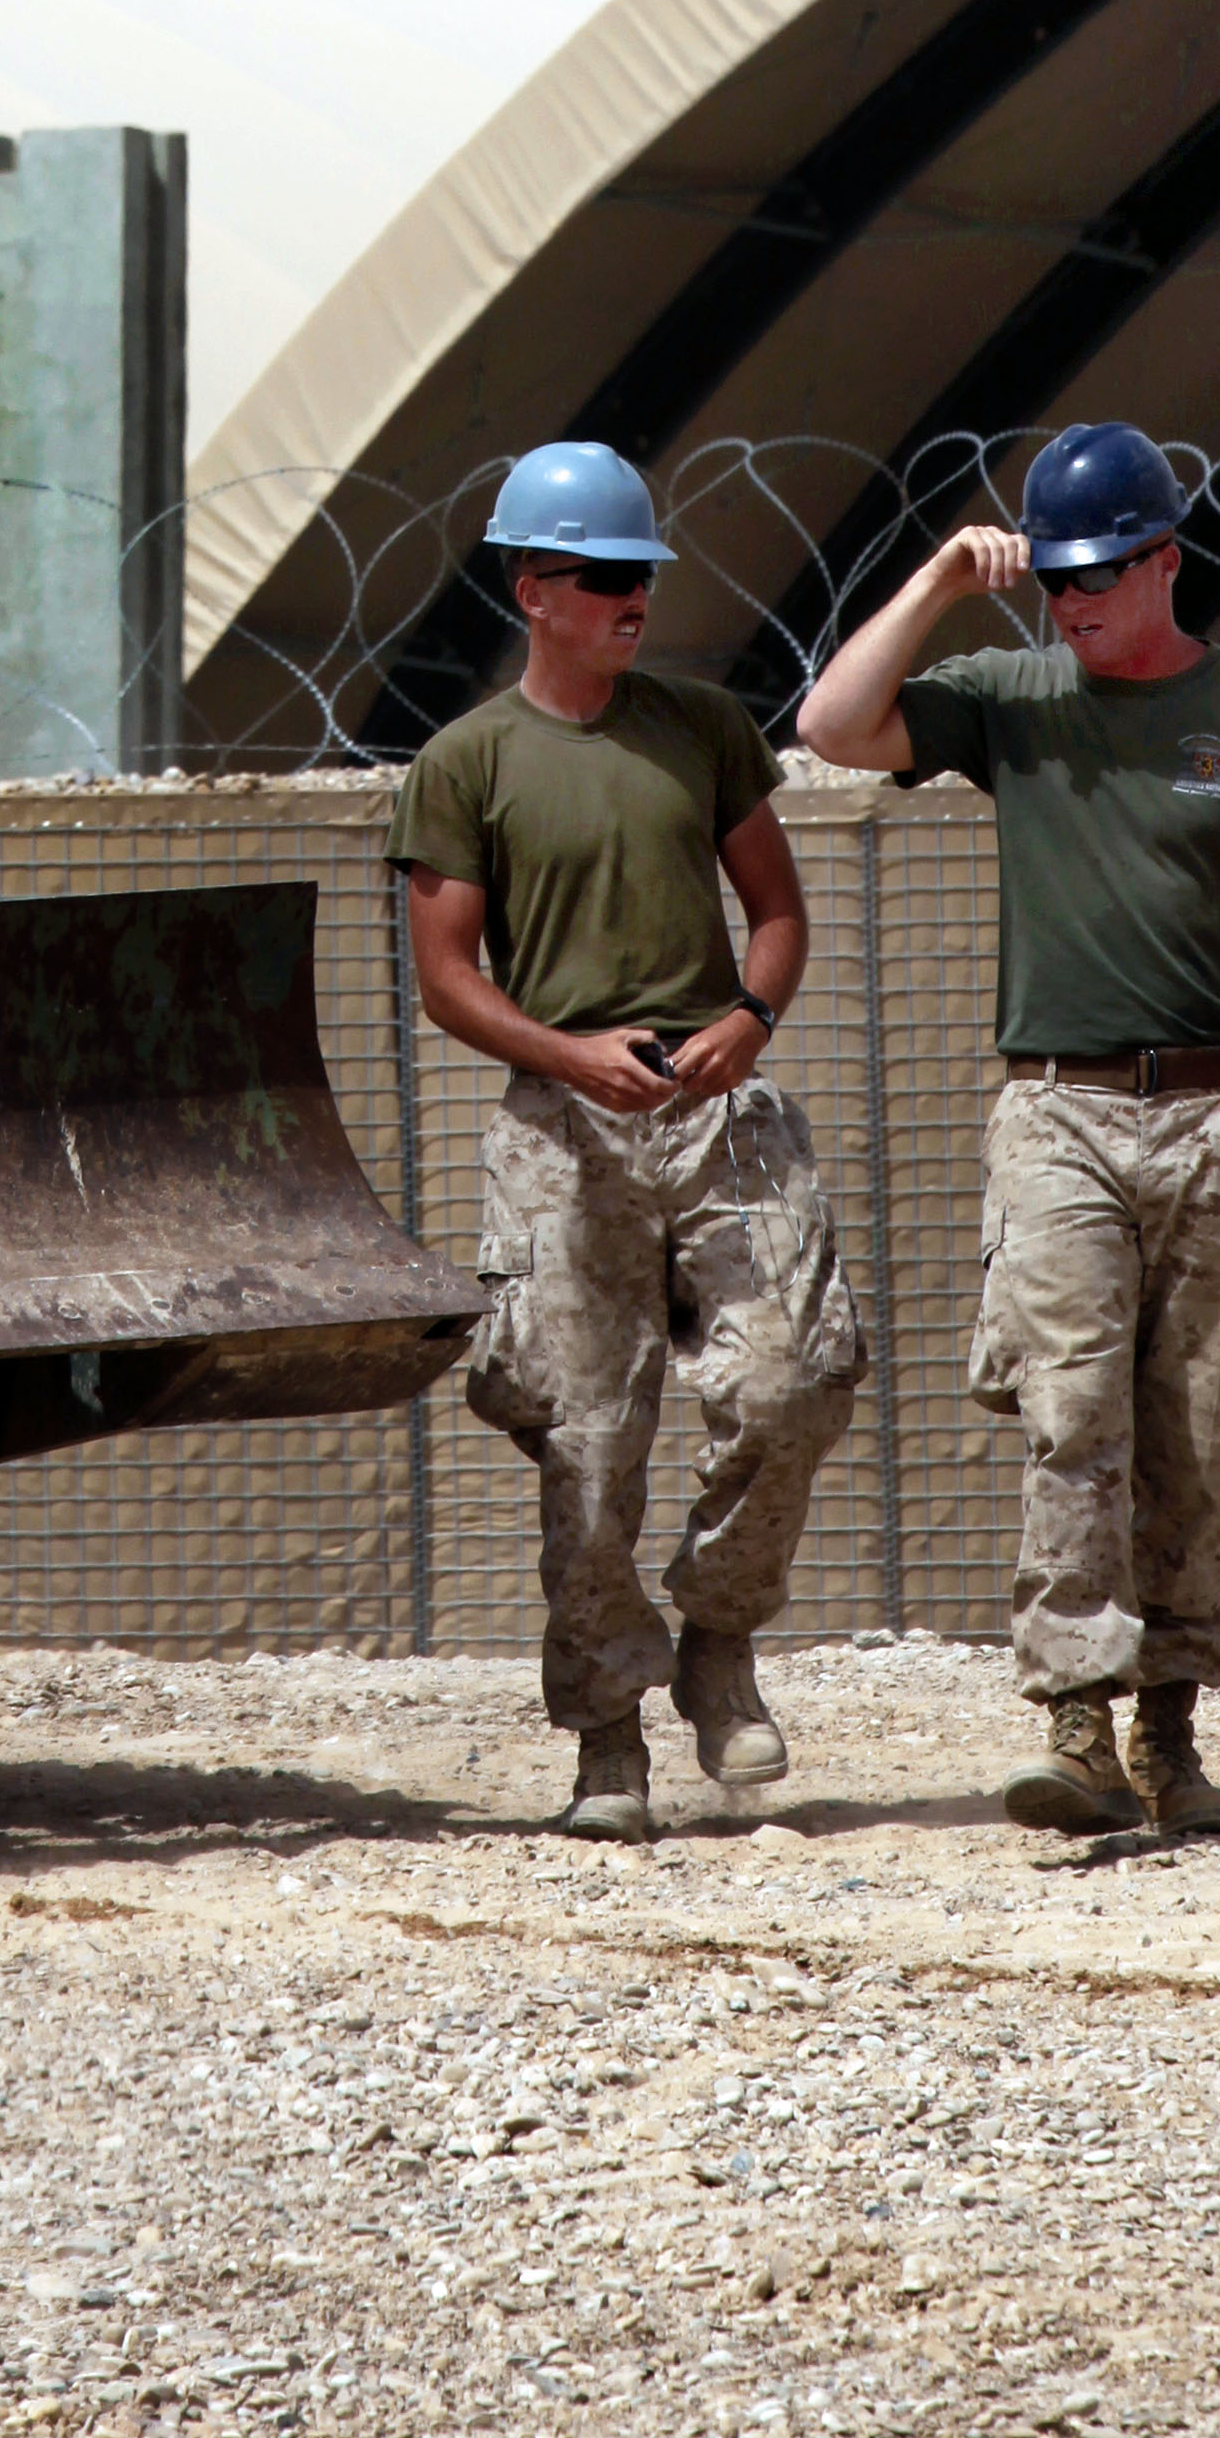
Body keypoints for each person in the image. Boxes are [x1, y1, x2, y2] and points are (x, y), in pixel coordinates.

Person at [791, 419, 1220, 1838]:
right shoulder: (1014, 696)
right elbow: (831, 728)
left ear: (1165, 560)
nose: (1074, 601)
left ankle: (1168, 1733)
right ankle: (1075, 1721)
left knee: (1199, 1428)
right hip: (1058, 1109)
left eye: (1102, 574)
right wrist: (942, 581)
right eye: (1056, 578)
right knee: (1071, 1411)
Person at [395, 440, 866, 1841]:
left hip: (717, 1112)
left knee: (793, 1380)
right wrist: (568, 1056)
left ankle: (720, 1636)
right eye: (603, 579)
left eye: (642, 578)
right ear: (534, 588)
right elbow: (446, 975)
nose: (631, 601)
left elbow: (775, 911)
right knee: (585, 1445)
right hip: (566, 1127)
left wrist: (751, 1018)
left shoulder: (702, 726)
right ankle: (611, 1735)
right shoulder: (466, 763)